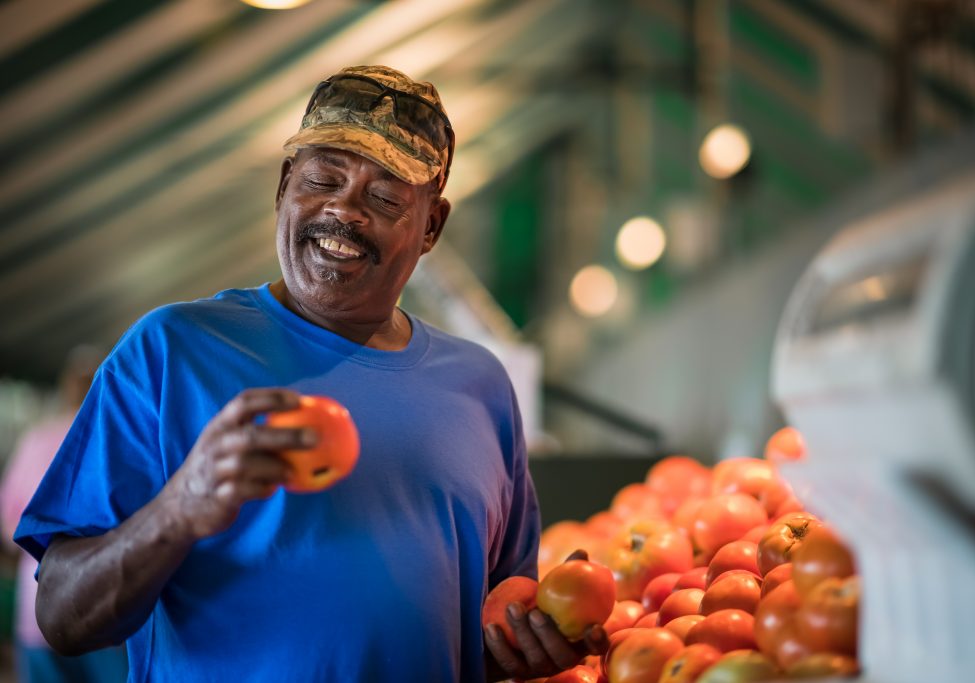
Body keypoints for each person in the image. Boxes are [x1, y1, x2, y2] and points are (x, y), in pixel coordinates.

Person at [14, 66, 605, 682]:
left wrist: (526, 646)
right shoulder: (170, 351)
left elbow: (478, 629)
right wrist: (179, 509)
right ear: (283, 186)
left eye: (385, 198)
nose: (344, 210)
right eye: (323, 179)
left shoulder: (480, 387)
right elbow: (62, 617)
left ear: (431, 226)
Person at [1, 346, 128, 683]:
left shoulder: (35, 441)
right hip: (104, 604)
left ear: (65, 387)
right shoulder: (115, 439)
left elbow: (10, 526)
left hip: (40, 607)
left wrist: (44, 546)